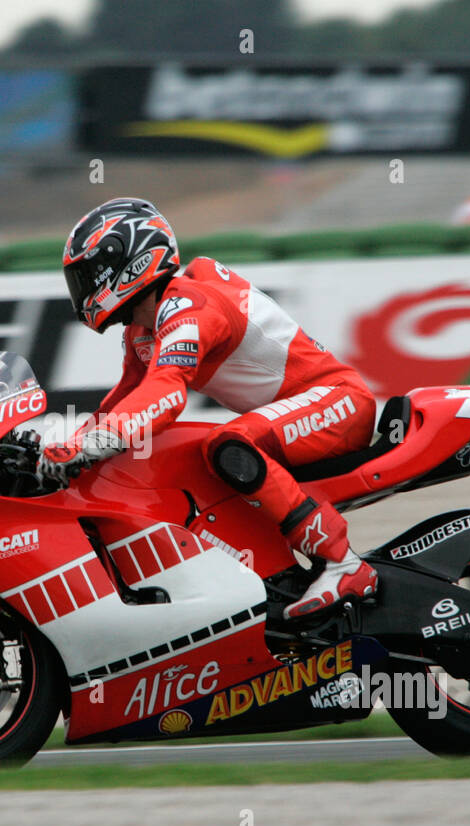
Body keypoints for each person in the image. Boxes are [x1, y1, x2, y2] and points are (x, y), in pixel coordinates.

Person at [40, 197, 377, 619]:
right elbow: (122, 401)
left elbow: (165, 394)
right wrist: (62, 445)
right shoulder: (143, 331)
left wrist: (96, 441)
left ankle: (342, 562)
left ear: (128, 263)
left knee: (228, 442)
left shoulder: (191, 306)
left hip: (340, 401)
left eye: (88, 274)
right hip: (293, 418)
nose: (83, 287)